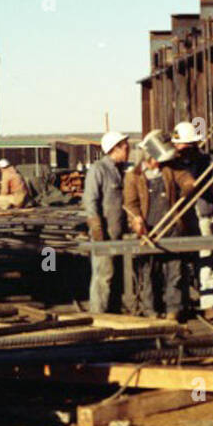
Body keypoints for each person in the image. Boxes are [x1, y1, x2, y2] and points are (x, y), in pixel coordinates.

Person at [124, 132, 192, 319]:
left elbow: (185, 179)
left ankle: (173, 310)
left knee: (175, 271)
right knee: (149, 273)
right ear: (148, 157)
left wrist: (188, 186)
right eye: (155, 160)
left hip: (172, 228)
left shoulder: (170, 169)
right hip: (149, 229)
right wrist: (136, 220)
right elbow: (131, 204)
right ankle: (151, 310)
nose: (158, 163)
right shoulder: (133, 176)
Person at [169, 119, 213, 319]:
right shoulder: (172, 163)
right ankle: (181, 303)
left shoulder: (206, 161)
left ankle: (208, 302)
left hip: (201, 214)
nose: (178, 148)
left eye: (180, 144)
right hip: (180, 215)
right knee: (178, 259)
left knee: (205, 258)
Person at [82, 131, 133, 313]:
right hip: (104, 234)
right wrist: (96, 226)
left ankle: (114, 312)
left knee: (117, 276)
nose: (129, 150)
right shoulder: (99, 169)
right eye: (125, 147)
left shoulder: (122, 170)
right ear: (114, 148)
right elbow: (90, 200)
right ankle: (98, 314)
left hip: (120, 234)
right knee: (103, 276)